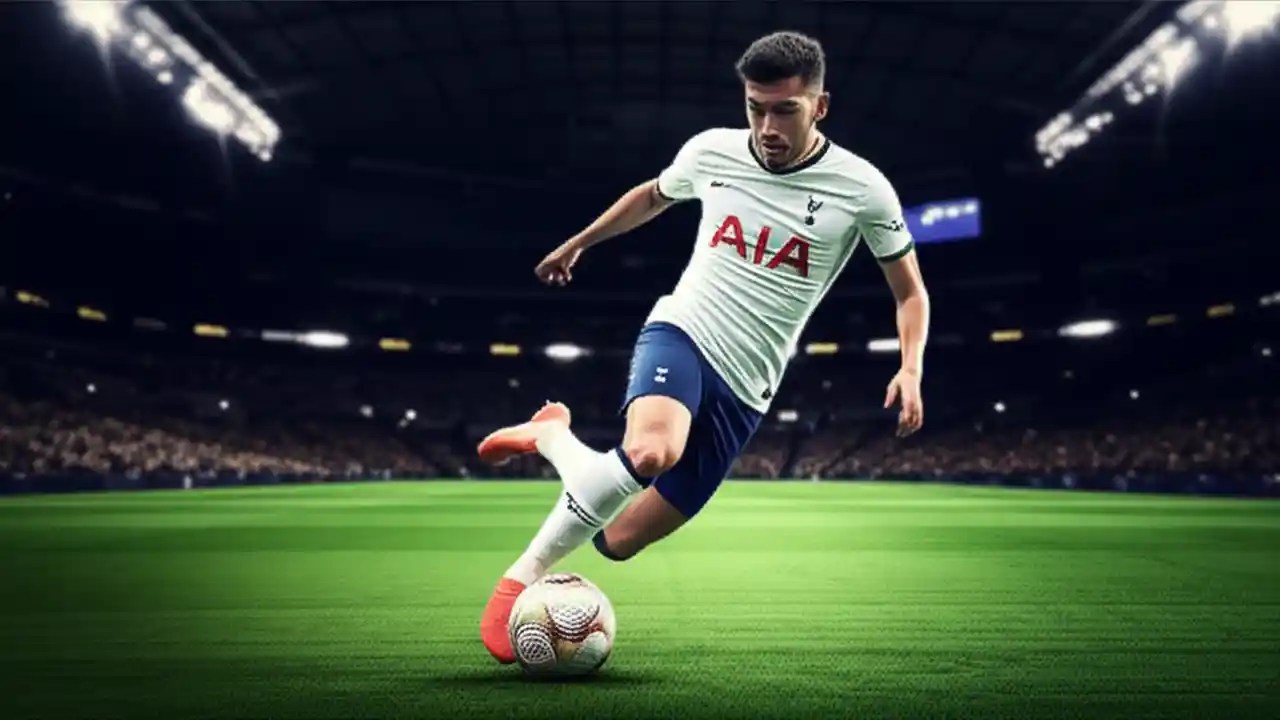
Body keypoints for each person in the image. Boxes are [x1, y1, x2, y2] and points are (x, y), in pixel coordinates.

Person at [474, 30, 930, 664]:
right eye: (755, 107)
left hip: (750, 386)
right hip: (684, 329)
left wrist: (910, 367)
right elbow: (653, 195)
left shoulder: (863, 189)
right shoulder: (713, 151)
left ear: (820, 106)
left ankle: (553, 438)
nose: (767, 127)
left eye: (785, 111)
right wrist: (580, 242)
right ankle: (517, 579)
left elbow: (910, 292)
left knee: (617, 540)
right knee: (651, 450)